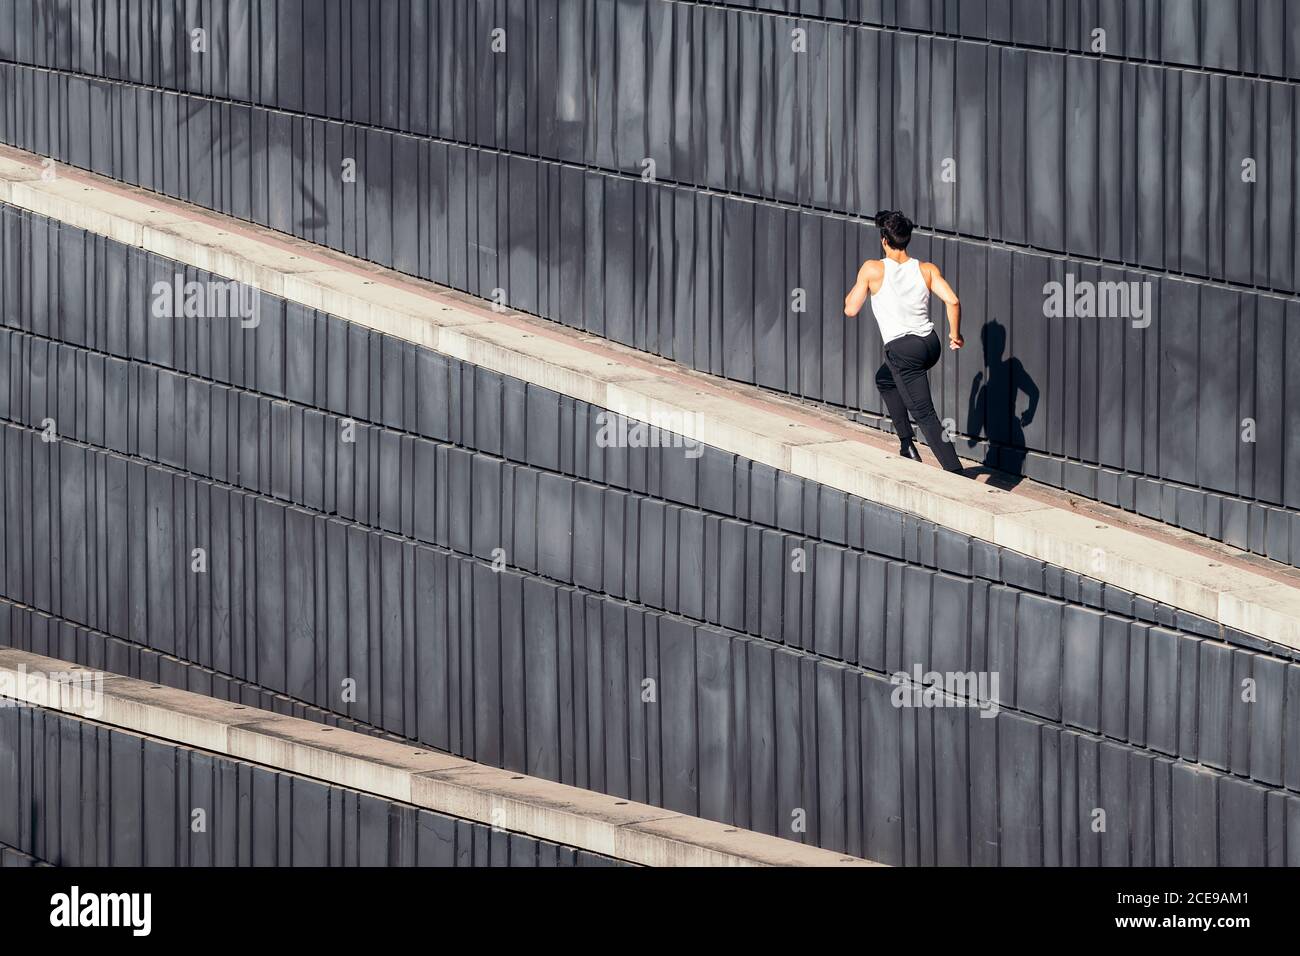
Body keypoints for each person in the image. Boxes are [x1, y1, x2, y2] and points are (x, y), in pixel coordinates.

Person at [843, 210, 965, 473]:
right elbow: (952, 301)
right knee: (885, 378)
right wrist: (955, 335)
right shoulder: (926, 269)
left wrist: (862, 280)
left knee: (924, 413)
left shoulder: (872, 268)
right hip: (930, 345)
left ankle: (956, 473)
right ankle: (906, 444)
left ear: (884, 240)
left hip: (903, 350)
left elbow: (850, 309)